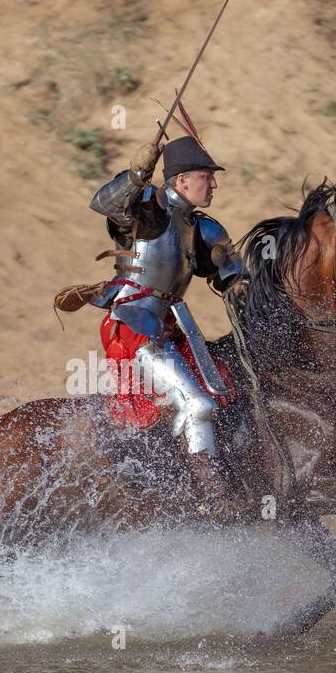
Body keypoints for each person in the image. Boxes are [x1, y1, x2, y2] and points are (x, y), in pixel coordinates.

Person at [88, 135, 249, 511]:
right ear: (181, 181)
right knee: (198, 404)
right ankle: (210, 494)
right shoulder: (146, 210)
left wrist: (244, 280)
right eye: (206, 177)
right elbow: (102, 203)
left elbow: (232, 279)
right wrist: (135, 174)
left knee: (226, 389)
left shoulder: (206, 229)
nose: (213, 184)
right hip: (134, 327)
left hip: (173, 329)